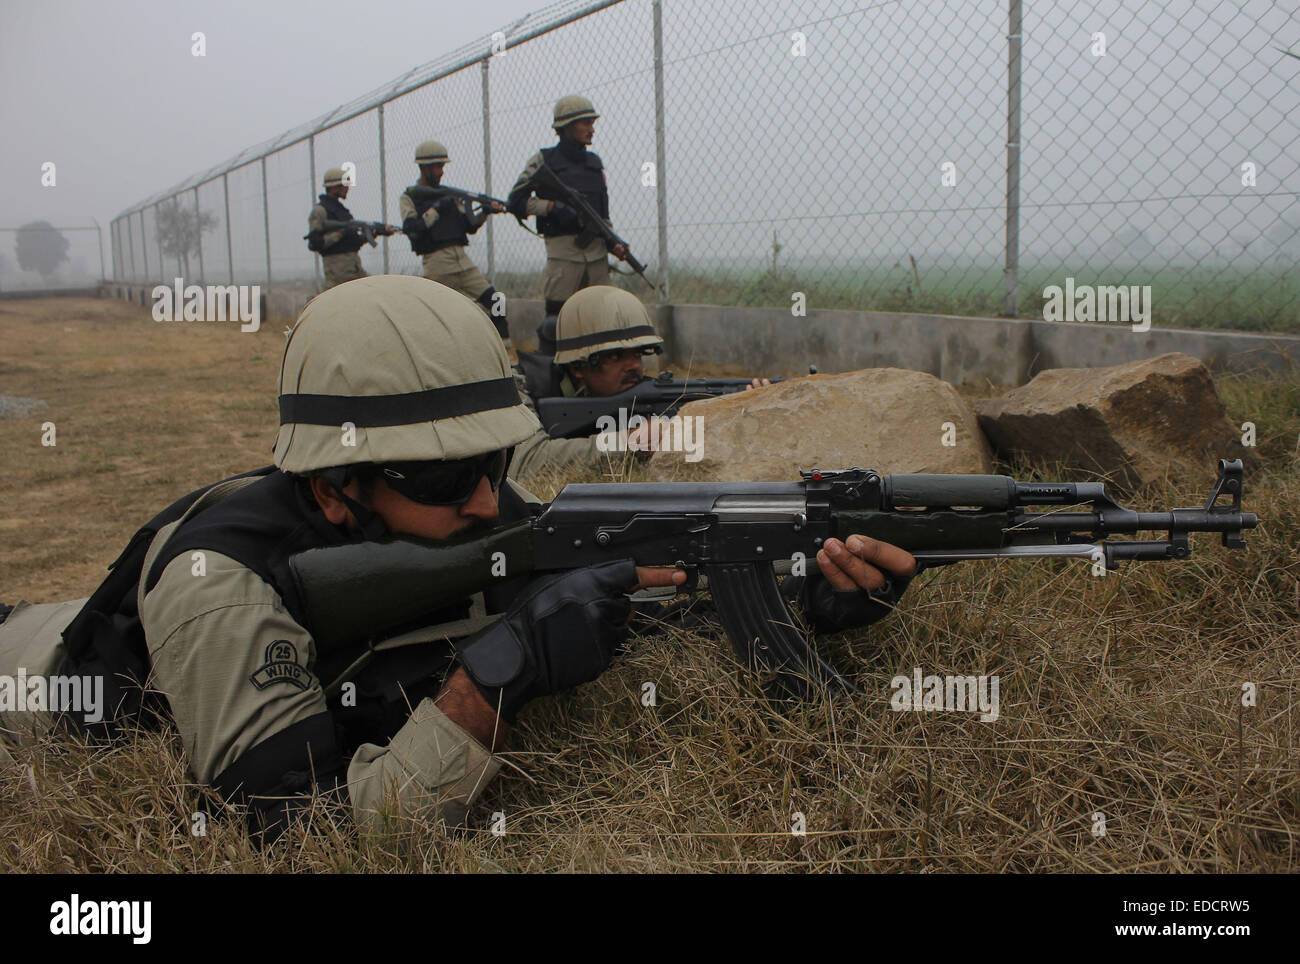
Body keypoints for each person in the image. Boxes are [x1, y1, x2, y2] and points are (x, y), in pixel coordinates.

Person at [0, 276, 917, 841]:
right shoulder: (221, 587)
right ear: (334, 488)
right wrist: (490, 684)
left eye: (490, 462)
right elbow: (303, 839)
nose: (486, 501)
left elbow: (636, 595)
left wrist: (806, 597)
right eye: (443, 481)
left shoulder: (473, 504)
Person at [511, 285, 767, 477]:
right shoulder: (515, 388)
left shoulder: (636, 394)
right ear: (578, 367)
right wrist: (630, 443)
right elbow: (527, 464)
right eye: (616, 356)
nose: (634, 365)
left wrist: (744, 405)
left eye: (639, 353)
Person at [506, 95, 631, 319]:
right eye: (585, 123)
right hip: (563, 255)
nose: (592, 129)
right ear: (566, 126)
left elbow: (602, 211)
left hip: (596, 255)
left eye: (593, 123)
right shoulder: (543, 161)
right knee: (557, 320)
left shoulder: (594, 163)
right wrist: (552, 207)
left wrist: (613, 241)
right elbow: (515, 201)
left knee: (602, 318)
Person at [399, 141, 510, 344]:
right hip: (437, 263)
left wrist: (486, 211)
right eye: (437, 166)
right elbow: (413, 229)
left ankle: (506, 356)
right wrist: (438, 208)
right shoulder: (410, 197)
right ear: (424, 167)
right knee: (433, 317)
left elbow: (470, 226)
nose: (441, 171)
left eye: (442, 166)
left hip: (462, 261)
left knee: (497, 302)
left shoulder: (451, 195)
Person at [306, 168, 396, 289]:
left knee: (376, 289)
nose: (347, 188)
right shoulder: (320, 211)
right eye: (345, 185)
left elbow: (352, 243)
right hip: (337, 274)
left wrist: (373, 233)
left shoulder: (342, 211)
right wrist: (340, 233)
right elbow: (315, 243)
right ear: (335, 187)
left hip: (353, 268)